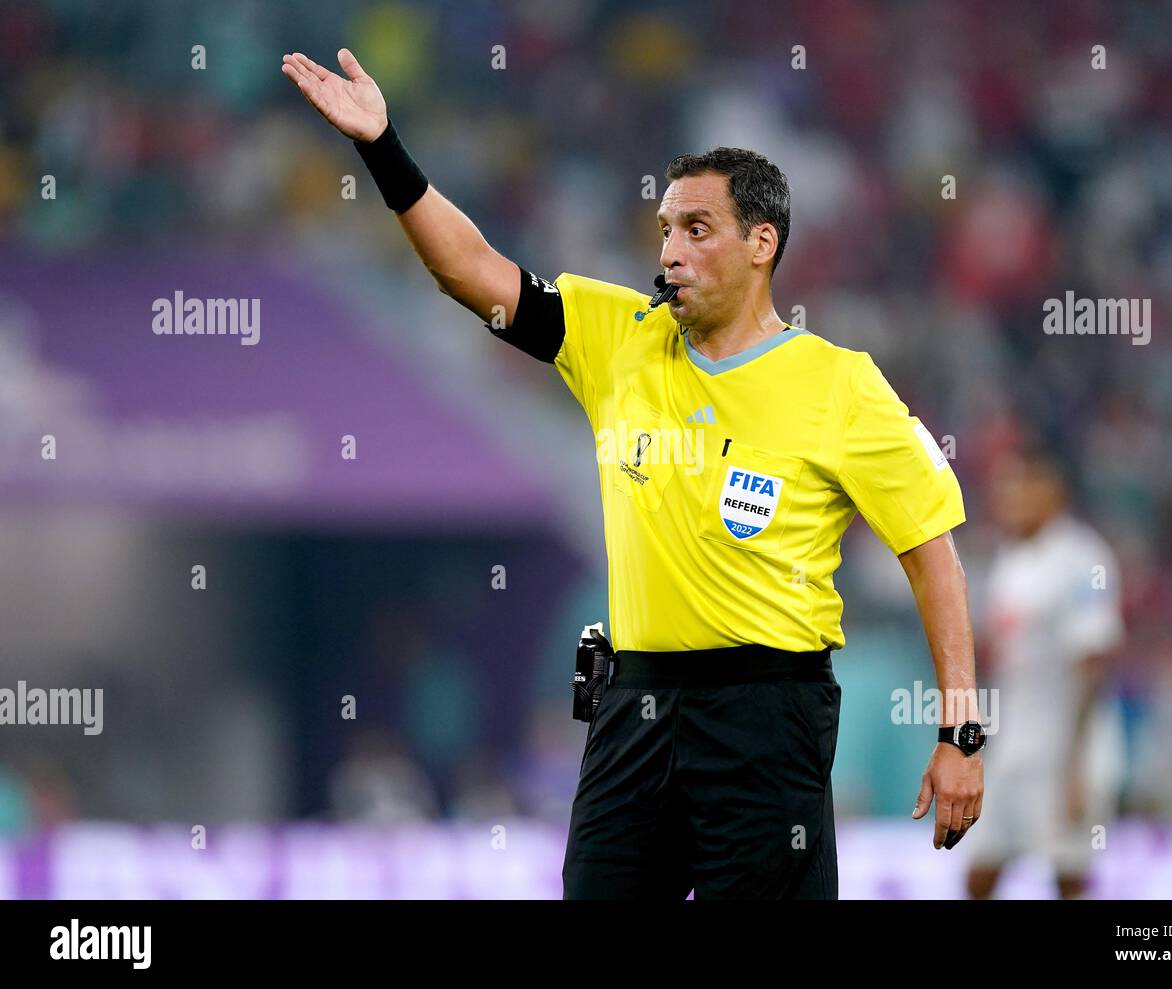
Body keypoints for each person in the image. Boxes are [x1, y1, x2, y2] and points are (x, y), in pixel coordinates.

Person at [282, 48, 985, 899]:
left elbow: (930, 550)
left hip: (767, 714)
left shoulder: (839, 384)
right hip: (634, 707)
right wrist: (382, 146)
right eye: (665, 229)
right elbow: (465, 269)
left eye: (697, 229)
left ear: (761, 244)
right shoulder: (618, 337)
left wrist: (960, 731)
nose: (671, 250)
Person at [964, 447, 1125, 899]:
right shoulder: (1011, 560)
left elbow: (1093, 664)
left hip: (1068, 750)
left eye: (1020, 487)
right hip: (1015, 745)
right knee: (980, 872)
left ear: (1051, 491)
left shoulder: (1083, 560)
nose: (1008, 498)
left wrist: (1076, 766)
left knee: (1068, 876)